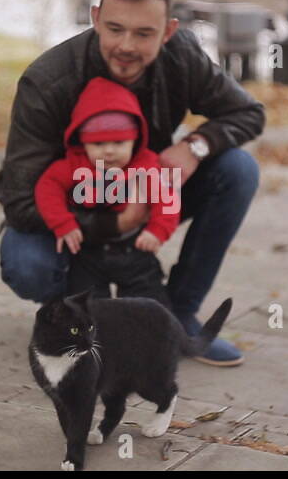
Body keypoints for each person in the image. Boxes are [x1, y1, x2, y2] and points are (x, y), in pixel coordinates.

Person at [0, 0, 265, 367]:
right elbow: (18, 199)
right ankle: (73, 318)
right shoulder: (48, 81)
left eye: (144, 33)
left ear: (169, 31)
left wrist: (194, 146)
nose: (126, 46)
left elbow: (249, 113)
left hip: (149, 188)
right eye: (115, 28)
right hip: (67, 210)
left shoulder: (183, 57)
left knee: (238, 171)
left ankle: (177, 314)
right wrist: (110, 224)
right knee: (27, 263)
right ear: (96, 16)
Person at [35, 75, 180, 310]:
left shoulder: (145, 165)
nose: (109, 152)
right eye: (98, 145)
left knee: (150, 307)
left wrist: (158, 230)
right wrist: (63, 223)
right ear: (83, 143)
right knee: (86, 310)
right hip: (87, 251)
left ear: (135, 140)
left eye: (119, 142)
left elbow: (168, 198)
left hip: (135, 247)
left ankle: (156, 339)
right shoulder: (74, 165)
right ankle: (91, 341)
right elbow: (48, 187)